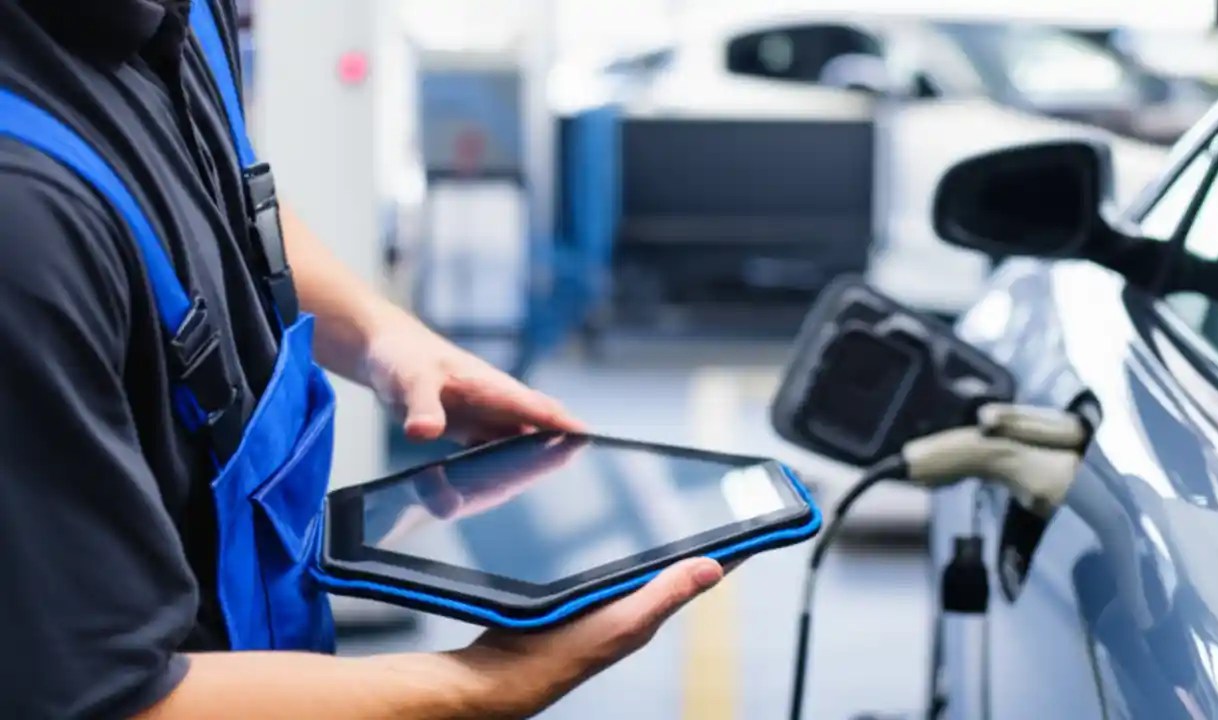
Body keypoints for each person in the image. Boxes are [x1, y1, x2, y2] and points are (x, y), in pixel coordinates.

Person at [0, 0, 724, 717]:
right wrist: (491, 685)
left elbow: (214, 194)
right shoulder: (22, 219)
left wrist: (387, 337)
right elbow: (111, 703)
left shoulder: (181, 17)